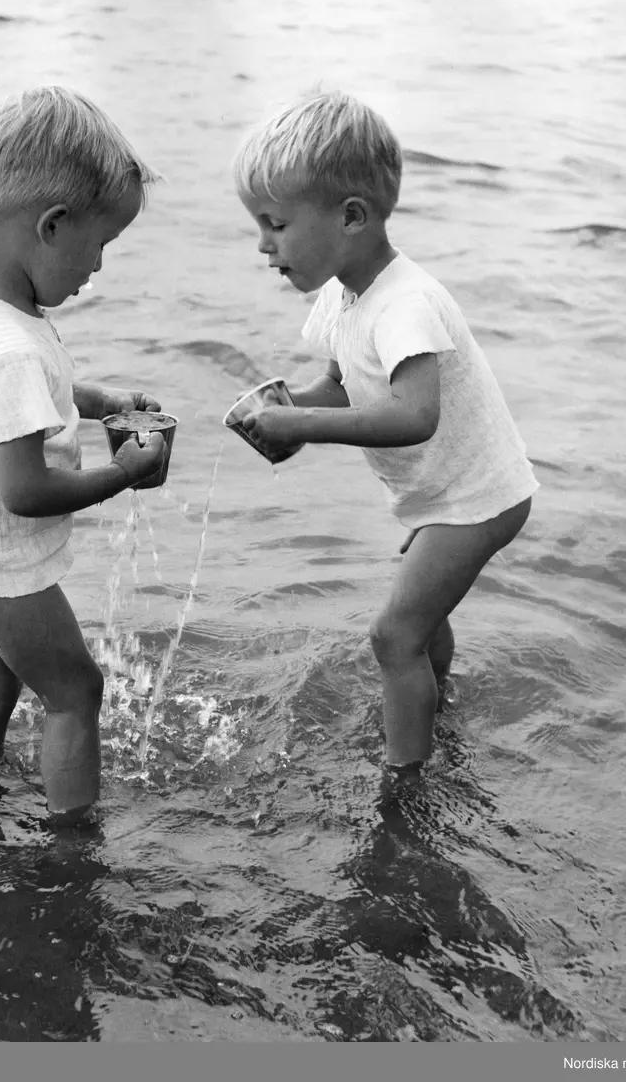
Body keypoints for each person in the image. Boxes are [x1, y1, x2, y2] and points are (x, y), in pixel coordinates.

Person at [232, 91, 538, 776]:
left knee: (392, 634)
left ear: (351, 217)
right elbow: (342, 384)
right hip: (446, 494)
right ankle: (439, 707)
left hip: (479, 495)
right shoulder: (345, 295)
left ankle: (405, 780)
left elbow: (413, 413)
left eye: (276, 224)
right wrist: (284, 410)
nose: (263, 243)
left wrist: (305, 423)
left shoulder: (406, 303)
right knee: (420, 620)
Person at [0, 86, 167, 824]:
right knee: (76, 693)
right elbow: (25, 488)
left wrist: (98, 397)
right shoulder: (14, 345)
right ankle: (73, 848)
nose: (100, 267)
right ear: (52, 227)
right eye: (100, 245)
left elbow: (11, 398)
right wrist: (122, 473)